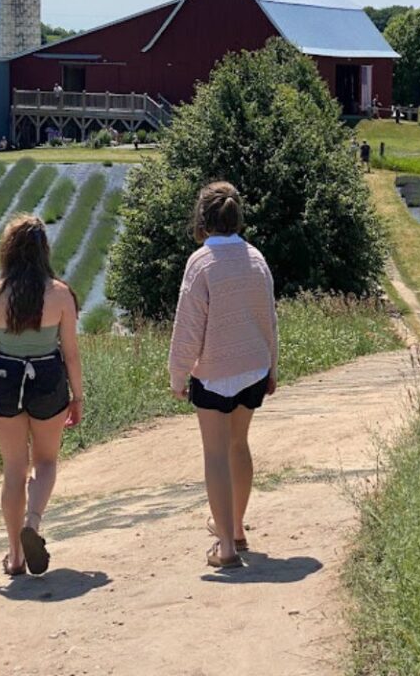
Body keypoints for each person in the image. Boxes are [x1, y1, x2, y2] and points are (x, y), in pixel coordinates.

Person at [169, 182, 277, 569]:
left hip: (214, 371)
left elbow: (188, 326)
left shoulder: (201, 263)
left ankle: (226, 549)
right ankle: (236, 530)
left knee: (214, 452)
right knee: (239, 445)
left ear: (202, 220)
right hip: (253, 367)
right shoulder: (256, 258)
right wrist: (272, 366)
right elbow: (269, 317)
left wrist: (178, 375)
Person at [0, 215, 83, 577]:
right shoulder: (61, 294)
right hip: (48, 376)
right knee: (46, 461)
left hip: (5, 379)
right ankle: (32, 523)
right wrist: (78, 395)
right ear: (43, 250)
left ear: (8, 251)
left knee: (13, 470)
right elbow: (72, 353)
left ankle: (15, 555)